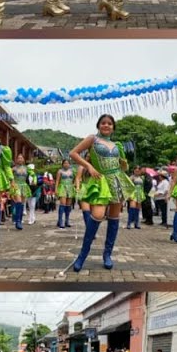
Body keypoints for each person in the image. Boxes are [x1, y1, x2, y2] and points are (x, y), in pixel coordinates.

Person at [69, 114, 134, 271]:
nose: (106, 125)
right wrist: (89, 166)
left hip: (117, 181)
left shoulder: (117, 145)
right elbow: (73, 153)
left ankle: (107, 255)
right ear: (98, 125)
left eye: (109, 124)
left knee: (114, 217)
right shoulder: (92, 139)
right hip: (101, 181)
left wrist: (123, 164)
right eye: (103, 123)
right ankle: (82, 255)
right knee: (97, 215)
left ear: (113, 127)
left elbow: (123, 166)